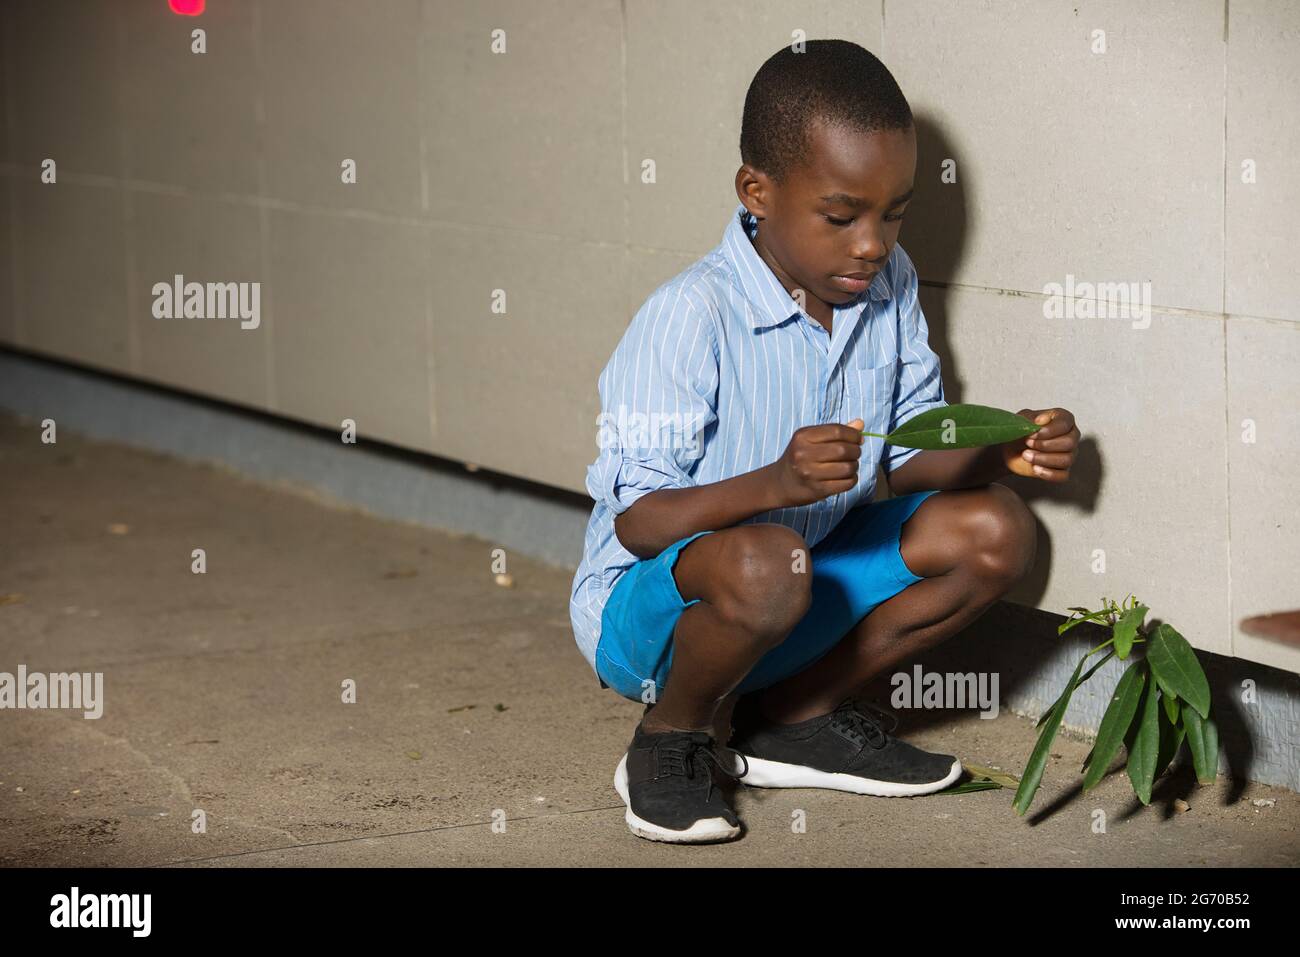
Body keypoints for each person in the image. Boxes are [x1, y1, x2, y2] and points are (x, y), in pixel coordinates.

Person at [569, 39, 1080, 843]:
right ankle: (671, 738)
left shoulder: (888, 284)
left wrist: (1003, 446)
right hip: (654, 618)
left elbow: (912, 455)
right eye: (842, 216)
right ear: (757, 192)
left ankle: (793, 718)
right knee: (768, 556)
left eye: (894, 211)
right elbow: (637, 522)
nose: (873, 243)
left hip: (799, 586)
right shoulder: (690, 316)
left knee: (996, 527)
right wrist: (774, 482)